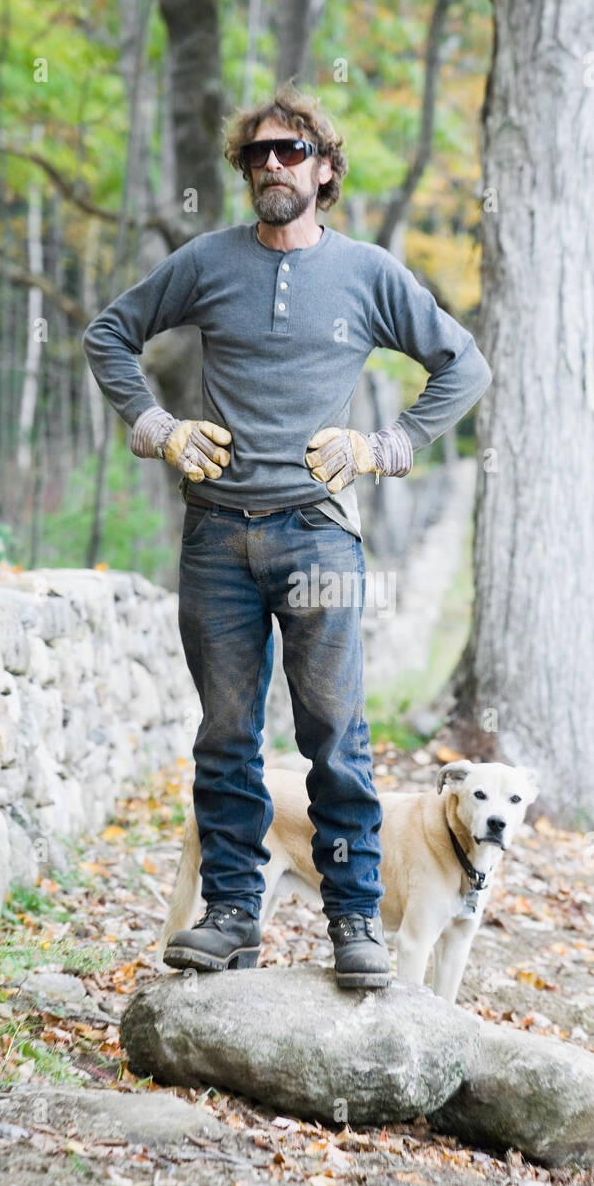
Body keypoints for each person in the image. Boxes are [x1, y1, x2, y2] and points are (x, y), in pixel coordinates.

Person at [82, 81, 492, 989]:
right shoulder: (207, 262)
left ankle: (353, 921)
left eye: (293, 151)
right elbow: (109, 334)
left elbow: (463, 366)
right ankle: (231, 915)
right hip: (216, 535)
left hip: (319, 538)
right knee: (226, 737)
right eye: (259, 153)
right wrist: (162, 430)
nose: (274, 164)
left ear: (327, 168)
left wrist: (385, 446)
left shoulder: (369, 274)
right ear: (245, 168)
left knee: (334, 734)